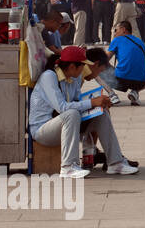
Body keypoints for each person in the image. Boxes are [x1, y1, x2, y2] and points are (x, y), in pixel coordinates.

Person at [29, 46, 138, 178]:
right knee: (71, 114)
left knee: (101, 113)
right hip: (43, 130)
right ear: (72, 67)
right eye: (82, 66)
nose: (83, 70)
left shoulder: (74, 78)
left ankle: (115, 162)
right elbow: (62, 107)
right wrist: (92, 102)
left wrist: (97, 105)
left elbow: (76, 101)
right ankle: (68, 166)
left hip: (64, 126)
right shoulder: (49, 77)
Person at [106, 21, 145, 104]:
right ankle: (135, 92)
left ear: (123, 30)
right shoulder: (140, 42)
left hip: (121, 80)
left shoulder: (117, 40)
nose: (114, 33)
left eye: (116, 30)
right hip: (140, 82)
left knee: (97, 69)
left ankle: (112, 95)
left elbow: (104, 59)